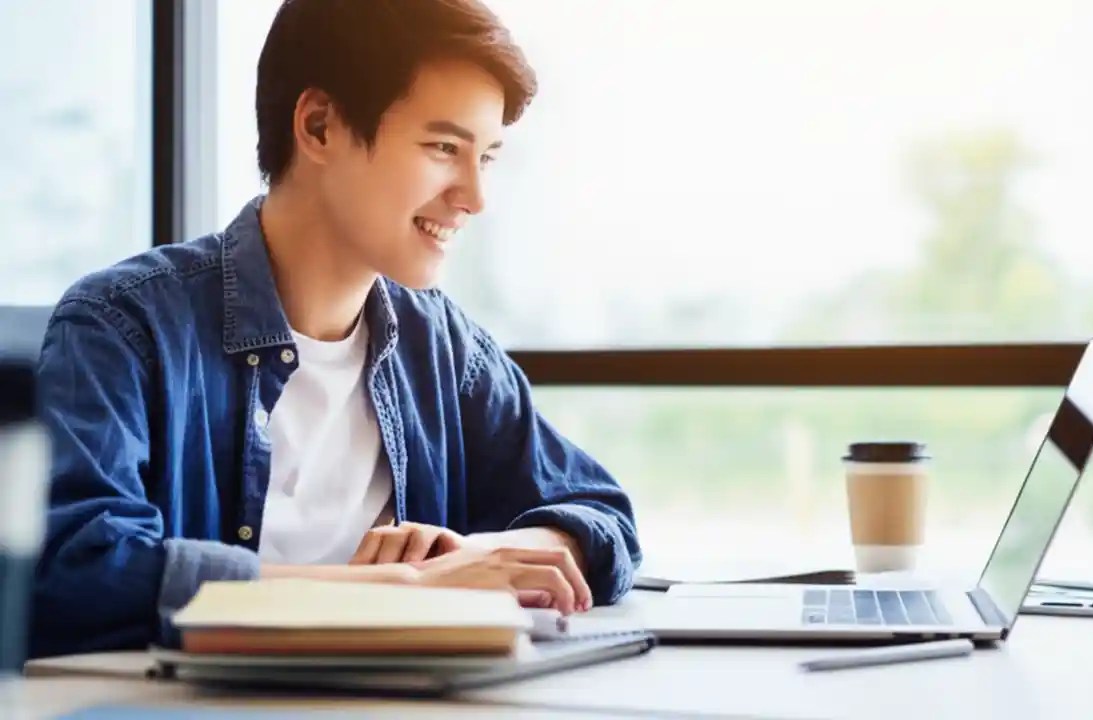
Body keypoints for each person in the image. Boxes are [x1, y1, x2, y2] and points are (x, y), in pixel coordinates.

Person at [29, 0, 642, 659]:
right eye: (443, 148)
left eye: (486, 157)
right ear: (319, 126)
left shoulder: (441, 346)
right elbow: (78, 575)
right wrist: (406, 589)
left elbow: (600, 515)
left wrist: (481, 556)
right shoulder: (122, 326)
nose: (474, 196)